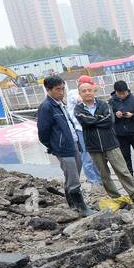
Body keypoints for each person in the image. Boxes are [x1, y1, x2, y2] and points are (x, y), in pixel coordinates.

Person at [73, 79, 134, 202]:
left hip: (110, 143)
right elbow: (85, 122)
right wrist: (99, 119)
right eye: (84, 91)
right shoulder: (78, 109)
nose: (87, 93)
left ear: (94, 91)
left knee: (122, 170)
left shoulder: (104, 104)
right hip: (94, 146)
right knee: (104, 174)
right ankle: (115, 197)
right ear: (80, 94)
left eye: (89, 90)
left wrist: (94, 120)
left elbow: (110, 120)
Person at [37, 75, 92, 216]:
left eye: (62, 89)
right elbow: (43, 132)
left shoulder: (60, 104)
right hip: (63, 148)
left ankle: (72, 205)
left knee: (74, 175)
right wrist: (55, 146)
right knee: (73, 178)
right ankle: (82, 207)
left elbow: (69, 125)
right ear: (48, 90)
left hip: (73, 144)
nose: (61, 92)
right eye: (57, 90)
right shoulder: (46, 107)